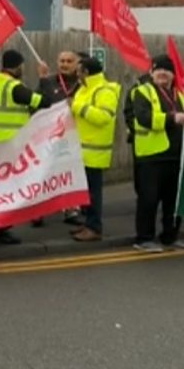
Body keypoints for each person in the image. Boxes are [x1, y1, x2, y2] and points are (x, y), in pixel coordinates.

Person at [0, 49, 50, 245]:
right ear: (18, 66)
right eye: (22, 67)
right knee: (7, 191)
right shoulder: (14, 87)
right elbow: (43, 102)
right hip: (9, 146)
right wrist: (44, 79)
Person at [131, 55, 184, 253]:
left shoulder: (180, 95)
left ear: (174, 75)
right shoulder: (141, 91)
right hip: (150, 155)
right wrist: (172, 117)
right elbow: (143, 118)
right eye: (159, 70)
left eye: (167, 70)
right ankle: (144, 238)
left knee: (173, 201)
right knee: (148, 200)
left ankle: (170, 236)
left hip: (175, 156)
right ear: (151, 72)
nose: (163, 73)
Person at [69, 56, 120, 242]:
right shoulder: (84, 88)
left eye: (78, 71)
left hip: (95, 150)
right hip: (81, 148)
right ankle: (88, 223)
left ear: (86, 72)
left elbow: (103, 118)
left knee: (93, 192)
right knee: (85, 191)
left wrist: (77, 107)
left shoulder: (104, 91)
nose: (76, 74)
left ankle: (94, 227)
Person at [35, 50, 84, 228]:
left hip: (74, 135)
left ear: (77, 64)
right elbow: (39, 103)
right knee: (46, 173)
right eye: (62, 61)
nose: (64, 64)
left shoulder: (83, 84)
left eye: (69, 61)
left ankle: (71, 210)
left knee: (69, 173)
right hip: (50, 135)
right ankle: (39, 211)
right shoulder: (49, 82)